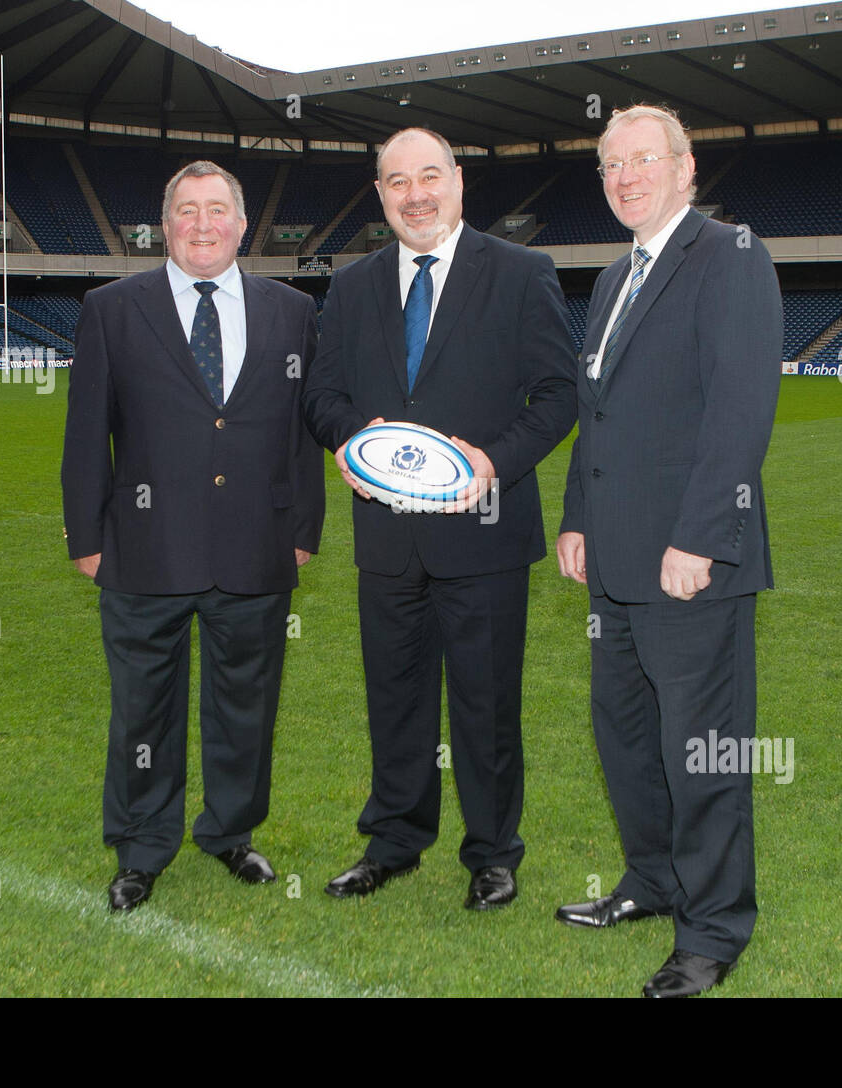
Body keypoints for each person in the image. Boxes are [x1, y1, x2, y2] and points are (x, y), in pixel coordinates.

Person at [303, 127, 577, 911]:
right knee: (394, 697)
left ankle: (492, 853)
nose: (415, 193)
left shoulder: (523, 274)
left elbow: (558, 395)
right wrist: (355, 444)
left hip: (484, 529)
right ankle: (393, 841)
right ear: (380, 194)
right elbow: (321, 396)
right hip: (387, 536)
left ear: (459, 182)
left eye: (430, 176)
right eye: (397, 181)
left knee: (487, 704)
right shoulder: (352, 287)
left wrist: (489, 460)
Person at [555, 105, 782, 996]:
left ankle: (714, 930)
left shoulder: (729, 255)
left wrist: (700, 539)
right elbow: (596, 414)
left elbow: (739, 410)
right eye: (610, 165)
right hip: (614, 568)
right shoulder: (616, 278)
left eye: (643, 159)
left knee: (705, 753)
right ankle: (651, 883)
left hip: (689, 568)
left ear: (687, 167)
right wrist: (575, 516)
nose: (626, 176)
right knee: (627, 740)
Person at [62, 160, 324, 911]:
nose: (203, 224)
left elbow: (304, 435)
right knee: (143, 709)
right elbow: (86, 438)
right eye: (187, 210)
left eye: (218, 210)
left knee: (247, 704)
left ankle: (231, 832)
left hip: (257, 545)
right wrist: (87, 535)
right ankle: (142, 848)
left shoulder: (291, 311)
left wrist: (303, 527)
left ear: (243, 225)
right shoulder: (112, 308)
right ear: (164, 224)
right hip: (143, 550)